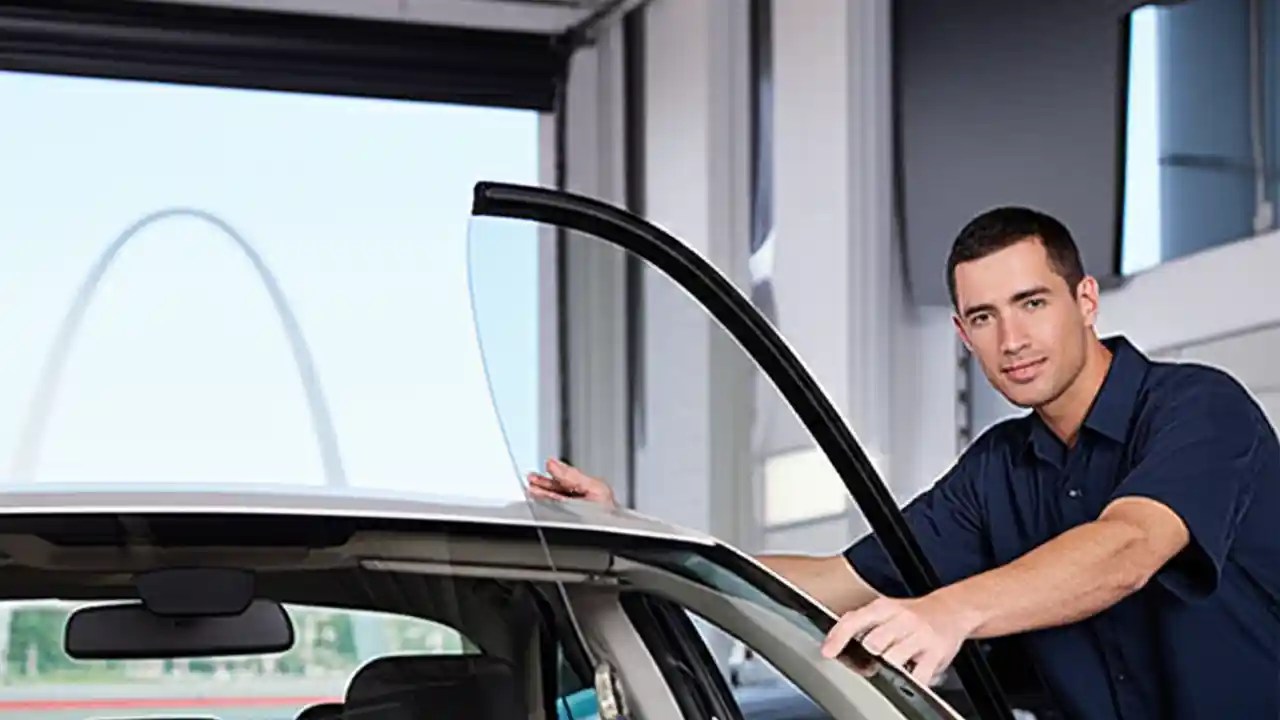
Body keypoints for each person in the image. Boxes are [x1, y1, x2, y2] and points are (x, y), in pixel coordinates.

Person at [525, 206, 1280, 720]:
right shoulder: (997, 473)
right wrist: (642, 541)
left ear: (1085, 300)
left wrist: (950, 610)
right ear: (962, 332)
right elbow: (839, 579)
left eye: (1032, 303)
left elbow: (1129, 547)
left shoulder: (1199, 409)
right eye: (984, 318)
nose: (1010, 338)